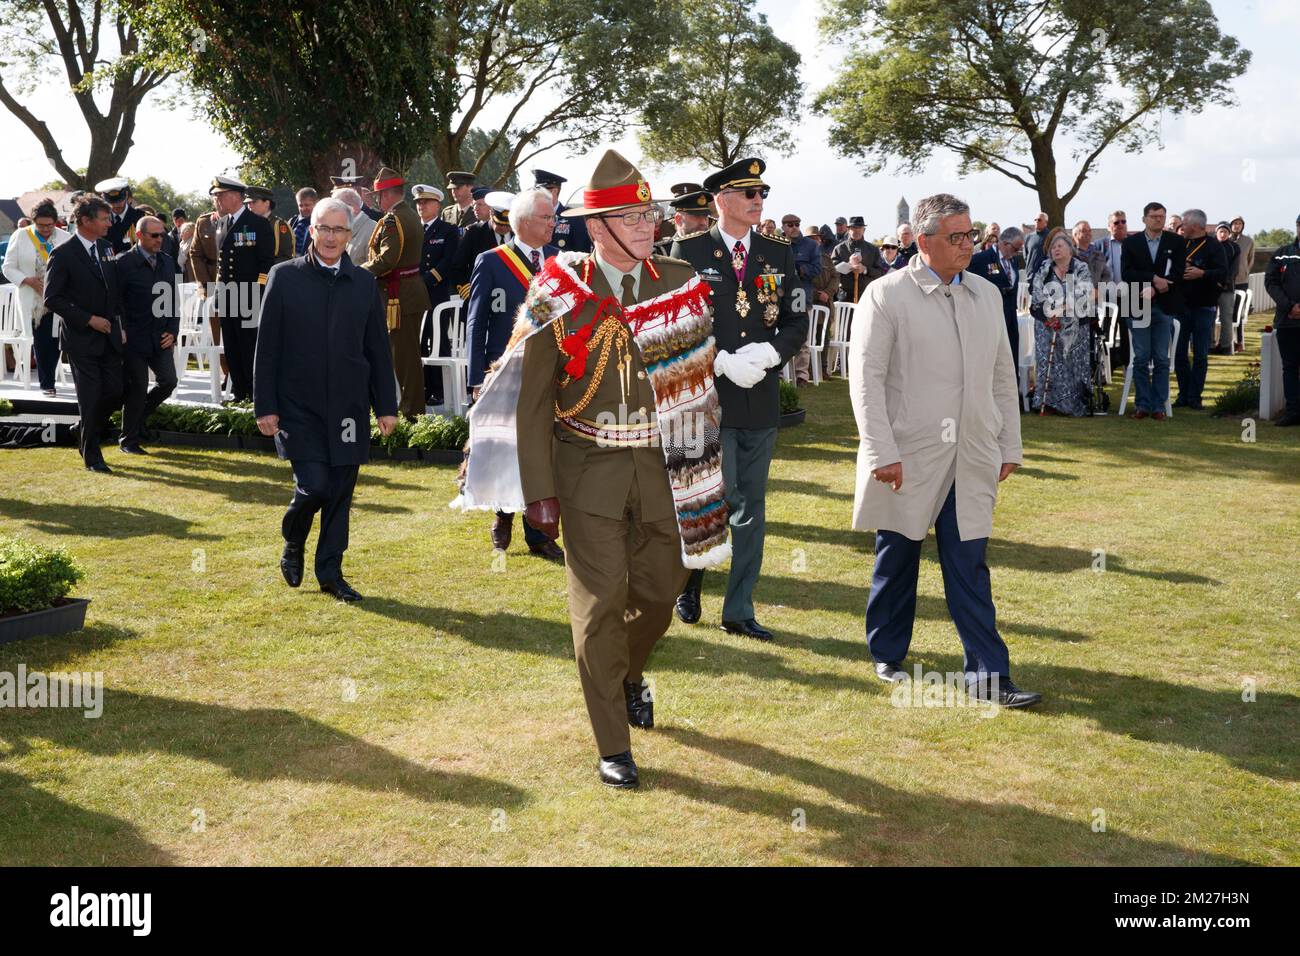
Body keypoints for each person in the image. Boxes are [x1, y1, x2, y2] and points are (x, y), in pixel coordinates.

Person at [511, 150, 726, 787]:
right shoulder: (559, 287)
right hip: (585, 468)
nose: (646, 227)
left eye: (649, 215)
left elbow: (695, 388)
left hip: (666, 468)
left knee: (661, 596)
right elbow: (532, 396)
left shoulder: (679, 280)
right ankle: (613, 742)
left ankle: (628, 672)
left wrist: (704, 473)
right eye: (630, 218)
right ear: (597, 227)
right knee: (600, 603)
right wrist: (537, 489)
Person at [849, 192, 1039, 708]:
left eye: (971, 235)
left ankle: (988, 673)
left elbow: (1004, 374)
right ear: (924, 240)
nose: (967, 246)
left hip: (972, 451)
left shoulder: (984, 293)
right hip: (910, 453)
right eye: (956, 237)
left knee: (970, 561)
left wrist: (1009, 443)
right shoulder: (886, 295)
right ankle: (887, 653)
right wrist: (880, 450)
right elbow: (865, 381)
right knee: (898, 554)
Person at [671, 157, 808, 640]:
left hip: (757, 396)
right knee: (703, 499)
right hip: (702, 399)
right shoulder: (684, 252)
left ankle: (739, 608)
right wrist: (719, 360)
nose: (758, 202)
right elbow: (673, 328)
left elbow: (796, 320)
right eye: (748, 194)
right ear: (720, 200)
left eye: (762, 194)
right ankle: (689, 580)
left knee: (749, 505)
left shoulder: (779, 253)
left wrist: (771, 353)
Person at [254, 197, 399, 602]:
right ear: (311, 231)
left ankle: (331, 573)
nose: (332, 237)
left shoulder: (365, 283)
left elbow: (377, 351)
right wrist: (265, 405)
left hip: (349, 408)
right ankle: (294, 537)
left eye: (340, 230)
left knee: (339, 494)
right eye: (325, 228)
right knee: (314, 486)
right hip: (297, 406)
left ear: (350, 236)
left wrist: (385, 406)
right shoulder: (284, 277)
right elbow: (267, 347)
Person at [466, 188, 561, 562]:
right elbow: (477, 322)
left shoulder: (559, 260)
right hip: (504, 368)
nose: (553, 224)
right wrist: (476, 376)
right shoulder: (491, 261)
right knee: (509, 446)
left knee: (544, 448)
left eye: (553, 217)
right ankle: (503, 513)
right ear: (523, 221)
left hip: (552, 369)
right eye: (546, 218)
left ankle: (539, 532)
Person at [43, 194, 125, 473]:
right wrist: (89, 320)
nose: (109, 223)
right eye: (103, 219)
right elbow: (52, 298)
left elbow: (113, 291)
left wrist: (119, 326)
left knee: (115, 391)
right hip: (81, 339)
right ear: (86, 221)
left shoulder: (106, 247)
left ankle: (82, 428)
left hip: (110, 336)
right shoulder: (63, 254)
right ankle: (92, 455)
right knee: (90, 397)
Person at [360, 166, 431, 418]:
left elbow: (387, 260)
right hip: (406, 293)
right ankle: (412, 410)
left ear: (388, 195)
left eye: (379, 196)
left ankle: (412, 413)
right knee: (406, 356)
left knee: (404, 358)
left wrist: (358, 272)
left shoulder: (393, 220)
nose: (378, 201)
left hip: (398, 296)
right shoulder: (408, 215)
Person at [115, 215, 179, 453]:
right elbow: (116, 303)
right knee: (138, 388)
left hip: (160, 336)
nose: (160, 239)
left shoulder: (167, 262)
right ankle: (128, 440)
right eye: (154, 235)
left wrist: (172, 331)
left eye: (162, 234)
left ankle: (136, 422)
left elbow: (173, 300)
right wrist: (121, 331)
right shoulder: (123, 263)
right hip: (134, 337)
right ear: (139, 236)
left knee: (169, 382)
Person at [1121, 202, 1186, 420]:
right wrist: (1152, 278)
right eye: (1154, 216)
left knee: (1161, 358)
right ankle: (1142, 405)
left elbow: (1178, 273)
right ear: (1144, 219)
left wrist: (1159, 288)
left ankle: (1158, 406)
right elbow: (1127, 273)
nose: (1158, 219)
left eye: (1161, 216)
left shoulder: (1176, 242)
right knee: (1140, 357)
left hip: (1165, 305)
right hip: (1137, 304)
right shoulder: (1131, 242)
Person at [212, 175, 274, 402]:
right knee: (231, 348)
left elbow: (266, 262)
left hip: (249, 296)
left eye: (220, 196)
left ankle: (254, 395)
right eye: (215, 196)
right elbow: (222, 263)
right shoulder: (220, 223)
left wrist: (257, 293)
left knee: (249, 348)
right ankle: (239, 393)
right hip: (227, 296)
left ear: (235, 196)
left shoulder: (258, 224)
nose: (217, 200)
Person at [2, 198, 71, 396]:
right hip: (32, 299)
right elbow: (8, 267)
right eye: (40, 225)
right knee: (41, 340)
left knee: (55, 339)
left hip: (57, 298)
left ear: (55, 222)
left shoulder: (65, 238)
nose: (45, 229)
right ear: (33, 222)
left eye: (49, 225)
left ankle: (48, 379)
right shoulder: (21, 235)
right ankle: (47, 383)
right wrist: (27, 280)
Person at [1029, 229, 1093, 416]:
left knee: (1072, 363)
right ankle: (1048, 404)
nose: (1055, 249)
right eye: (1053, 247)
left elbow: (1084, 292)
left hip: (1075, 324)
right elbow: (1037, 294)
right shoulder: (1045, 268)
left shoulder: (1080, 267)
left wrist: (1064, 307)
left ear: (1070, 249)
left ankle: (1073, 406)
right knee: (1048, 363)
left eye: (1060, 246)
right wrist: (1049, 314)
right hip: (1047, 323)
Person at [1173, 209, 1228, 411]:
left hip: (1203, 307)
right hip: (1181, 307)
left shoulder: (1214, 246)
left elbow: (1223, 273)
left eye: (1185, 222)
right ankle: (1183, 394)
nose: (1182, 225)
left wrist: (1202, 273)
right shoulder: (1180, 244)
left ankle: (1195, 396)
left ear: (1195, 225)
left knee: (1200, 354)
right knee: (1179, 354)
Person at [411, 184, 461, 406]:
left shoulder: (447, 230)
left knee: (438, 342)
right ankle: (422, 387)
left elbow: (449, 261)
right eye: (419, 203)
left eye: (426, 202)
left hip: (436, 293)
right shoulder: (413, 229)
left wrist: (427, 280)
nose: (421, 206)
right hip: (414, 294)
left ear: (437, 205)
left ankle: (439, 389)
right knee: (418, 342)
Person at [966, 226, 1024, 395]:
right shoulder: (981, 259)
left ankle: (1011, 393)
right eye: (1015, 248)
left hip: (1010, 318)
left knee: (1010, 356)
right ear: (1004, 243)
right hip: (989, 318)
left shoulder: (1012, 260)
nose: (1017, 252)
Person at [1264, 213, 1300, 426]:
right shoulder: (1281, 254)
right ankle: (1293, 411)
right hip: (1287, 321)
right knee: (1290, 367)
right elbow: (1271, 282)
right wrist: (1290, 306)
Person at [782, 213, 821, 386]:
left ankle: (802, 376)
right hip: (780, 295)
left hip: (801, 294)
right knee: (779, 335)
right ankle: (779, 374)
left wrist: (801, 269)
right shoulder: (776, 243)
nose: (794, 227)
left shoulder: (811, 245)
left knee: (802, 337)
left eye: (797, 224)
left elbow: (818, 269)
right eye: (790, 225)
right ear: (783, 227)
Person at [535, 169, 591, 252]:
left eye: (540, 191)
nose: (536, 195)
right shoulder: (533, 217)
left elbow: (581, 254)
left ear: (554, 191)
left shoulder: (574, 218)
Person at [832, 216, 886, 303]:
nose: (856, 230)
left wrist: (864, 270)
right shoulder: (839, 249)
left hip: (867, 296)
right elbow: (832, 272)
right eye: (854, 228)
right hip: (845, 297)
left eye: (859, 228)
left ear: (864, 230)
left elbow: (880, 273)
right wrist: (848, 265)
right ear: (848, 230)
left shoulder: (873, 250)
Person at [654, 182, 713, 255]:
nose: (703, 223)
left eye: (705, 217)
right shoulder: (662, 253)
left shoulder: (717, 246)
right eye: (697, 217)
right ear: (678, 219)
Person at [244, 187, 296, 265]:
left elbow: (286, 257)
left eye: (253, 202)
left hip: (268, 274)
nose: (250, 206)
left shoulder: (278, 225)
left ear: (267, 203)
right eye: (248, 203)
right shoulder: (246, 225)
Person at [1212, 222, 1241, 356]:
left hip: (1227, 288)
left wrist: (1224, 282)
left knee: (1226, 318)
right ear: (1216, 232)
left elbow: (1234, 269)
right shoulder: (1210, 245)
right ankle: (1210, 344)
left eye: (1225, 232)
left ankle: (1225, 346)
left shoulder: (1234, 247)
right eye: (1220, 231)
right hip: (1210, 287)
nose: (1223, 234)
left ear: (1229, 233)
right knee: (1209, 316)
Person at [1228, 216, 1254, 353]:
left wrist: (1245, 271)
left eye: (1239, 224)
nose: (1237, 226)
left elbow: (1250, 259)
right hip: (1226, 281)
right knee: (1225, 313)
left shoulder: (1248, 241)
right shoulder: (1225, 239)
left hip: (1241, 281)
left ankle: (1239, 342)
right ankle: (1224, 341)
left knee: (1238, 314)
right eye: (1234, 223)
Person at [96, 178, 142, 256]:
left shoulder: (141, 218)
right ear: (103, 198)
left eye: (120, 200)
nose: (116, 205)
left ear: (126, 195)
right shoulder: (98, 220)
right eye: (111, 202)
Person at [288, 187, 317, 254]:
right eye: (300, 205)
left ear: (315, 203)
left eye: (307, 205)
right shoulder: (292, 221)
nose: (303, 208)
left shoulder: (319, 224)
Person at [1023, 211, 1049, 278]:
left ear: (1046, 223)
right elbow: (1026, 256)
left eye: (1039, 220)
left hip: (1045, 277)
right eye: (1035, 220)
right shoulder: (1029, 237)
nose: (1037, 221)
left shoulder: (1051, 237)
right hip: (1030, 275)